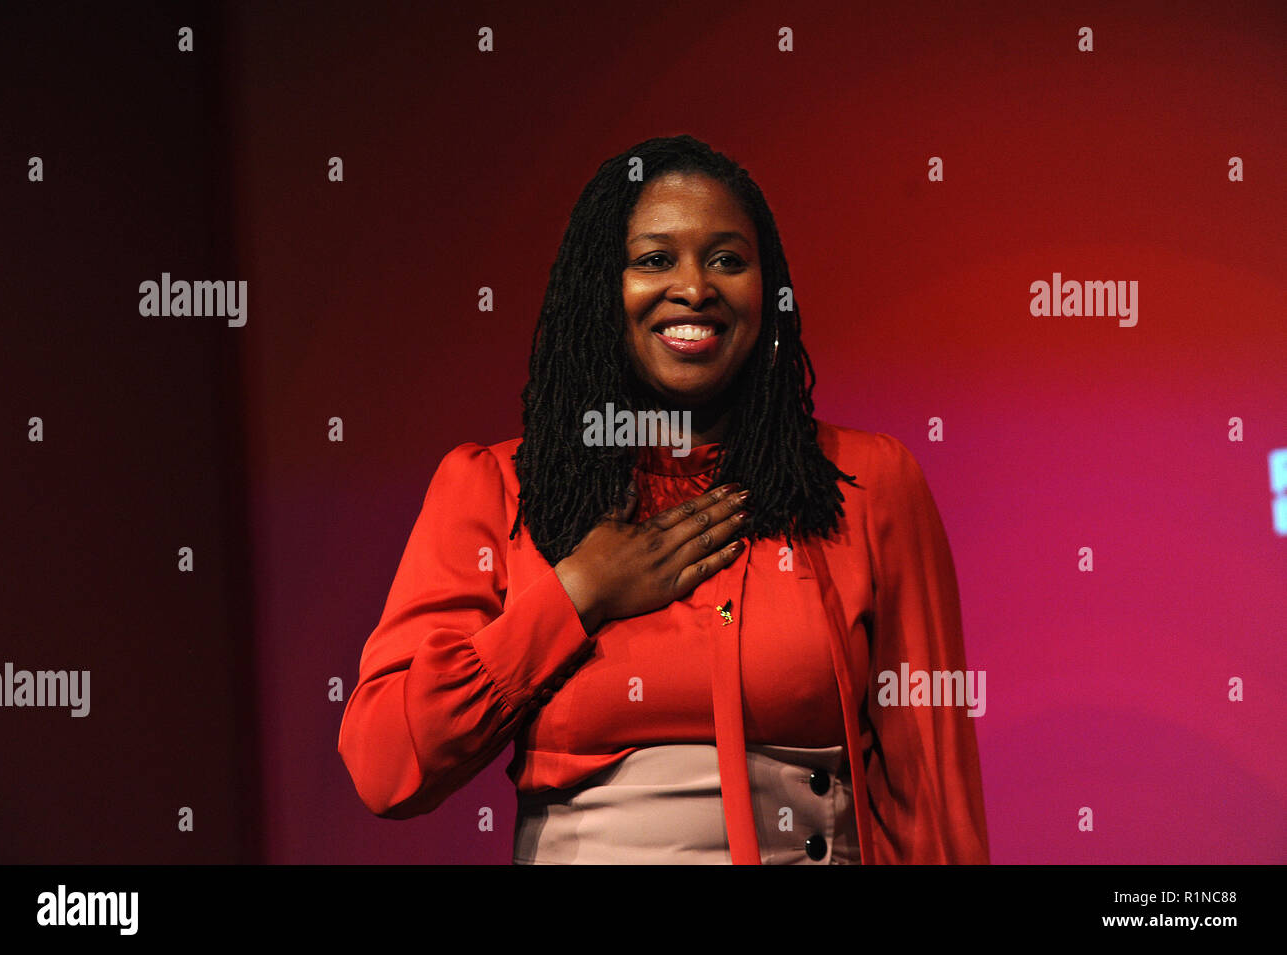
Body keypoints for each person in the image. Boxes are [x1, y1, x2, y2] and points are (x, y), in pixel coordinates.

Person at [337, 134, 990, 864]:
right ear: (598, 292)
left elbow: (932, 802)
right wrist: (579, 591)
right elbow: (385, 764)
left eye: (727, 260)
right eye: (654, 259)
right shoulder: (495, 490)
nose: (694, 288)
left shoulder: (867, 484)